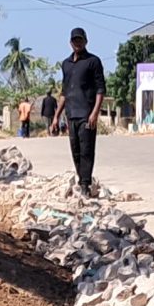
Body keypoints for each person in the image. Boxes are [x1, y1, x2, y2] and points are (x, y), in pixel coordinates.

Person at [57, 26, 106, 196]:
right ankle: (81, 179)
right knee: (76, 151)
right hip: (71, 115)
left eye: (80, 39)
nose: (77, 43)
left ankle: (86, 185)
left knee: (87, 151)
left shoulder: (93, 61)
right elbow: (64, 93)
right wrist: (56, 117)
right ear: (70, 43)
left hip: (86, 115)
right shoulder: (66, 64)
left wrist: (94, 113)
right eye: (74, 40)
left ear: (86, 41)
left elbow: (101, 90)